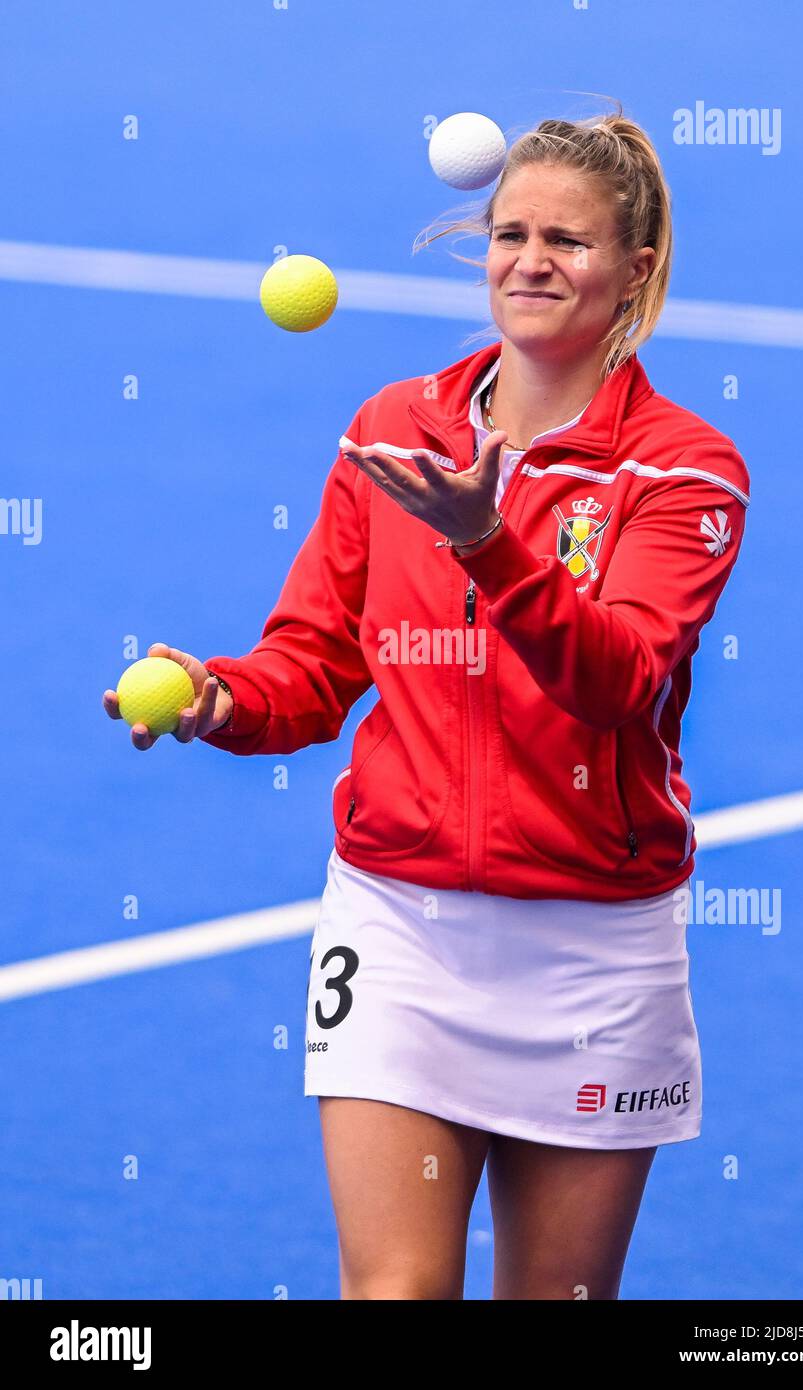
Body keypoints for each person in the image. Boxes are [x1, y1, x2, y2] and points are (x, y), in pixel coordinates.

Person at [103, 112, 750, 1300]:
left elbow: (616, 679)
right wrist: (216, 697)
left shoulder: (685, 471)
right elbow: (311, 664)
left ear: (638, 270)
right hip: (398, 928)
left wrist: (491, 547)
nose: (531, 260)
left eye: (570, 240)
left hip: (593, 953)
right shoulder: (395, 429)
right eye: (510, 233)